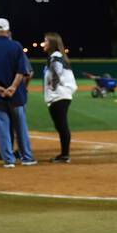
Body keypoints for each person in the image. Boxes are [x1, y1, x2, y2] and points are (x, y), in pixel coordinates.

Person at [0, 17, 35, 168]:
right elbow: (22, 71)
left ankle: (9, 160)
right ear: (8, 31)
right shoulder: (16, 46)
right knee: (20, 127)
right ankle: (26, 158)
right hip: (16, 95)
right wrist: (13, 88)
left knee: (3, 128)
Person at [41, 32, 75, 162]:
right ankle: (64, 154)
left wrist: (53, 89)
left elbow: (56, 75)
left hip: (59, 96)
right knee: (61, 126)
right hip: (61, 95)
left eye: (46, 41)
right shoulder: (58, 56)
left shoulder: (55, 58)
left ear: (53, 43)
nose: (44, 43)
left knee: (62, 126)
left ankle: (65, 155)